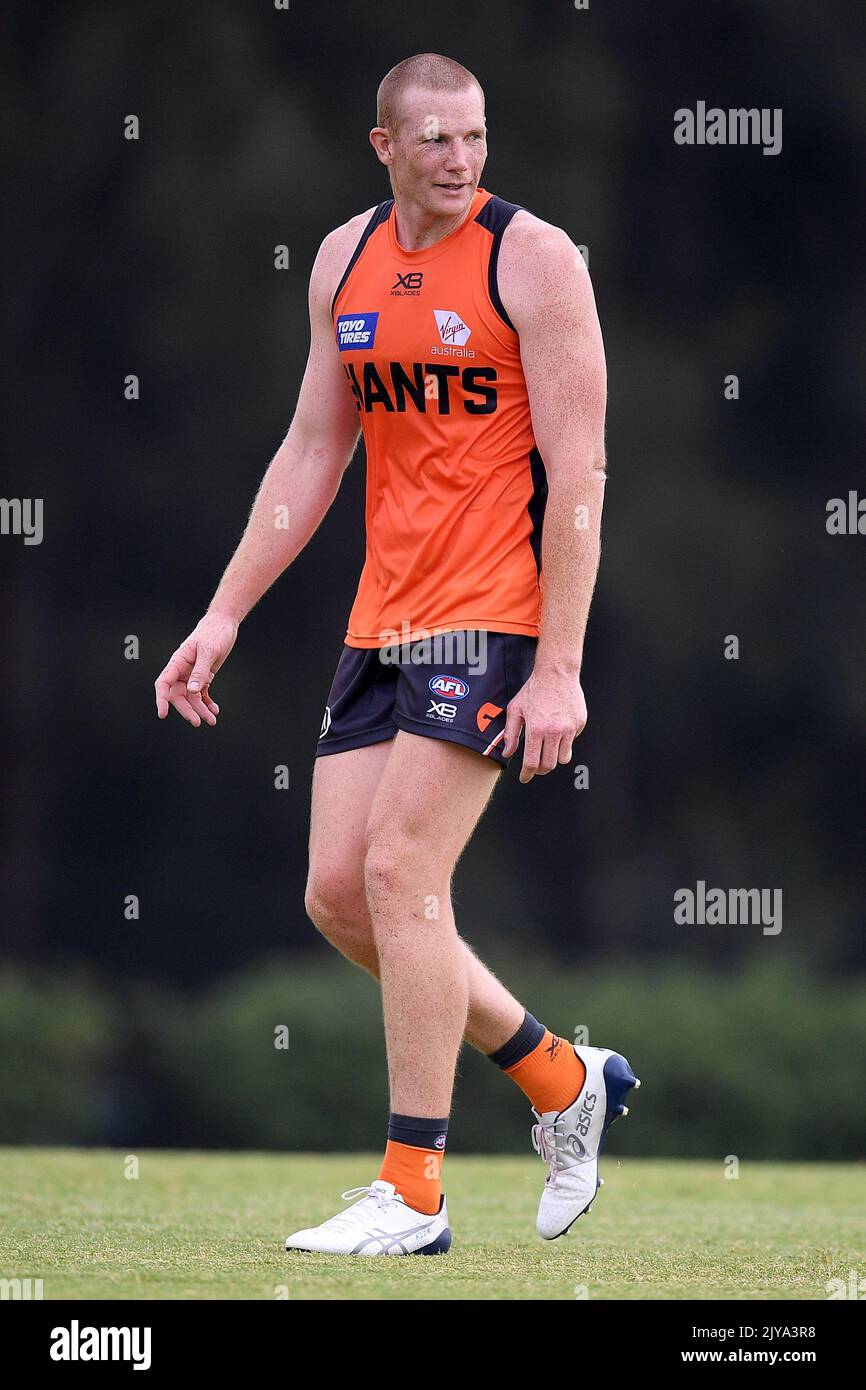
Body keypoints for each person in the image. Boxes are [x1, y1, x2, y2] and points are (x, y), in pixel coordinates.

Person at [154, 52, 639, 1258]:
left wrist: (561, 665)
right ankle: (558, 1076)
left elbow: (577, 475)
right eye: (434, 140)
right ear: (382, 145)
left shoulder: (533, 259)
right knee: (337, 894)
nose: (461, 160)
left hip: (494, 613)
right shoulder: (340, 261)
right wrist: (222, 614)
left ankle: (412, 1191)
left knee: (400, 873)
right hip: (383, 617)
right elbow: (311, 451)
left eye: (475, 137)